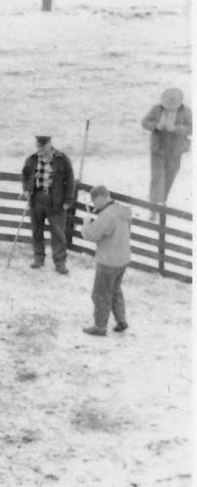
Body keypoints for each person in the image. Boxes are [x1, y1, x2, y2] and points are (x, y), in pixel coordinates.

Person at [79, 185, 131, 336]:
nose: (94, 205)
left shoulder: (107, 215)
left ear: (101, 198)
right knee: (114, 290)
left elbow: (91, 235)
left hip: (108, 261)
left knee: (100, 293)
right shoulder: (121, 210)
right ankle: (121, 320)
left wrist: (86, 223)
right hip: (123, 258)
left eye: (94, 201)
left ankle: (100, 327)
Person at [21, 135, 75, 274]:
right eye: (38, 146)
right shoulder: (32, 159)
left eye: (42, 146)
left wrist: (68, 200)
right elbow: (25, 175)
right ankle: (39, 258)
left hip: (56, 201)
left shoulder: (62, 160)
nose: (39, 149)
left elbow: (69, 181)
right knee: (36, 230)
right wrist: (27, 189)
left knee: (58, 233)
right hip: (37, 198)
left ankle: (60, 262)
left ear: (49, 145)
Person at [140, 87, 192, 219]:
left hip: (175, 151)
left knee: (169, 178)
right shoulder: (157, 109)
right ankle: (153, 208)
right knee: (157, 178)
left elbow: (191, 128)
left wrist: (175, 128)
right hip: (158, 149)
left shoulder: (186, 112)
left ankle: (162, 203)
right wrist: (156, 125)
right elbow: (145, 122)